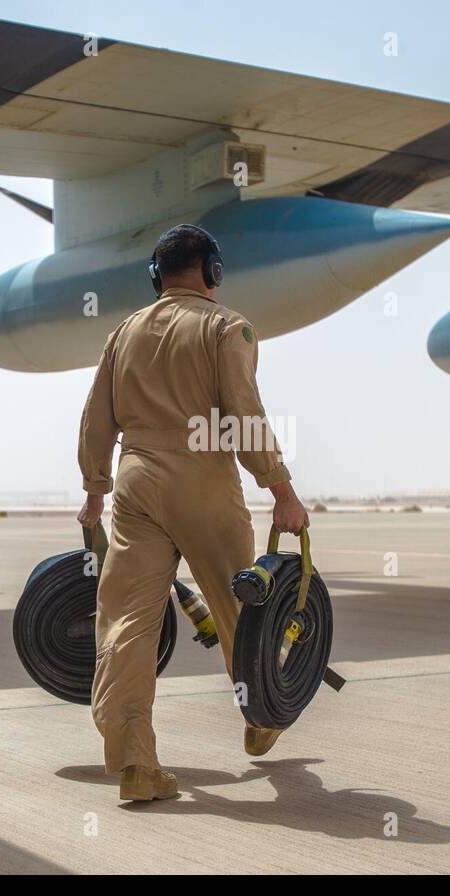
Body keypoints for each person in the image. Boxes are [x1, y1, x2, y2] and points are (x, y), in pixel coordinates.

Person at [77, 223, 308, 801]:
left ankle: (135, 764)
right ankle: (260, 716)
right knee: (241, 609)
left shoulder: (123, 332)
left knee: (129, 620)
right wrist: (280, 486)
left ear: (157, 275)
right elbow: (242, 413)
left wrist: (95, 488)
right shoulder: (227, 326)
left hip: (134, 483)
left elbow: (95, 419)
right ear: (213, 273)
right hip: (202, 476)